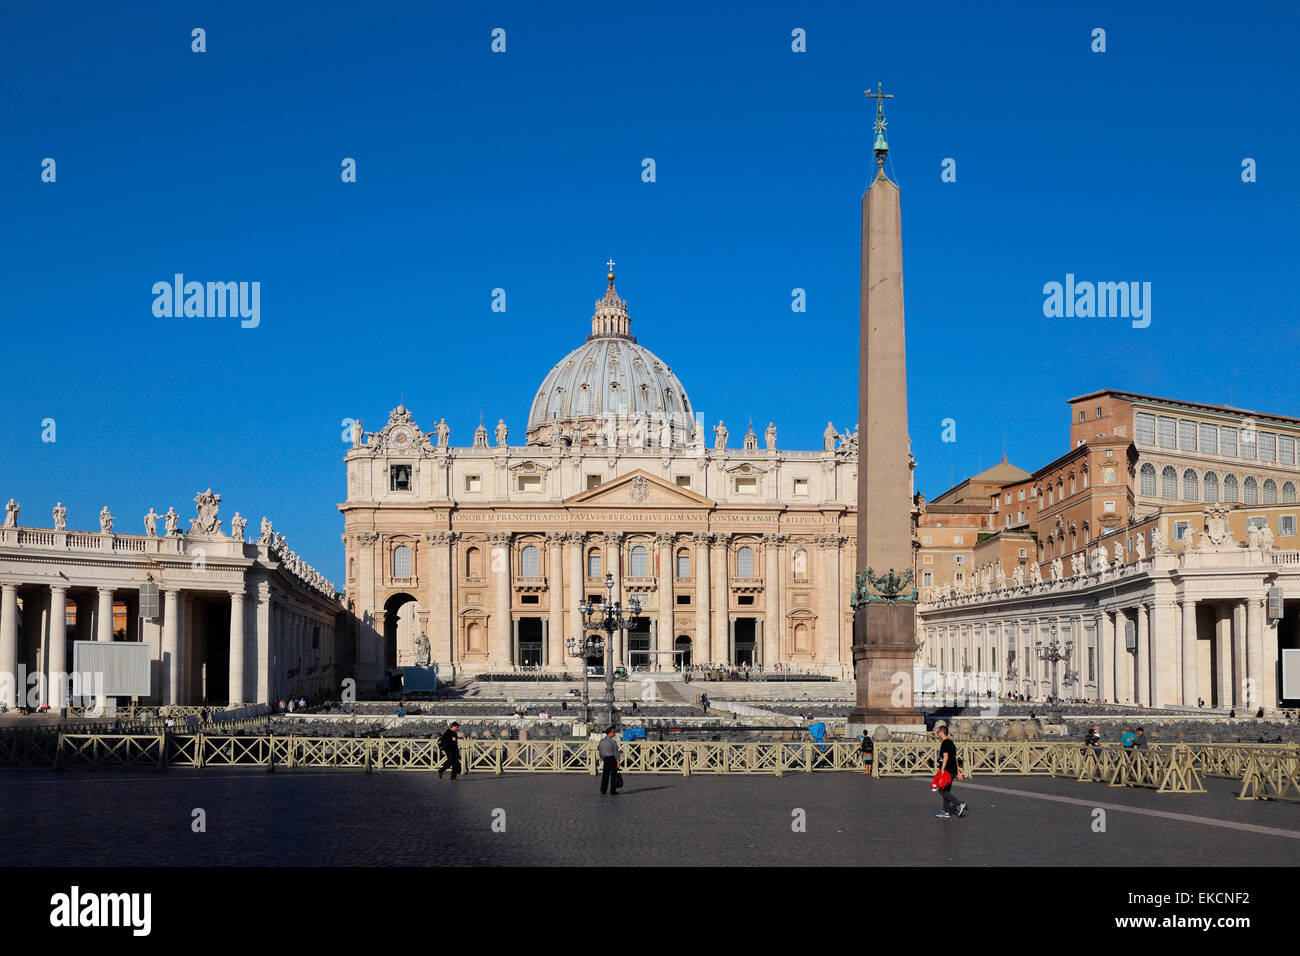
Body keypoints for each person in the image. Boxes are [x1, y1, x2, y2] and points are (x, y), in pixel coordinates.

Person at [934, 724, 965, 818]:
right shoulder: (951, 742)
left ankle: (959, 804)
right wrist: (958, 771)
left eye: (938, 732)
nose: (937, 734)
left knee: (941, 790)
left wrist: (942, 769)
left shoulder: (945, 743)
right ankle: (946, 811)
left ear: (942, 733)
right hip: (953, 770)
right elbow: (955, 757)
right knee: (946, 790)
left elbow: (945, 757)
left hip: (947, 770)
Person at [598, 726, 621, 795]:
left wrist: (602, 758)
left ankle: (603, 790)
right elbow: (616, 752)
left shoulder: (602, 741)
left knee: (605, 775)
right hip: (612, 758)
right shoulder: (613, 742)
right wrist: (618, 761)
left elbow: (600, 751)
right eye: (613, 732)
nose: (614, 734)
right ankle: (612, 790)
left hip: (606, 759)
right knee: (613, 775)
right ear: (610, 732)